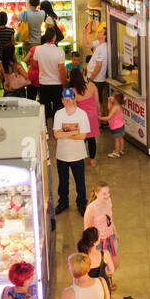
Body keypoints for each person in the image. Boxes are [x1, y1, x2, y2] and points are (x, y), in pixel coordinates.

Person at [52, 87, 92, 216]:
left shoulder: (82, 114)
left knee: (80, 182)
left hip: (77, 155)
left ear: (74, 99)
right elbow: (56, 135)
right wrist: (75, 131)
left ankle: (81, 204)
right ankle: (63, 202)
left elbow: (83, 136)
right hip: (62, 155)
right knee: (62, 182)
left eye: (70, 99)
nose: (68, 102)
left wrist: (65, 132)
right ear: (62, 100)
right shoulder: (59, 114)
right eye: (65, 99)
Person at [83, 182, 117, 283]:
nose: (107, 196)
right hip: (98, 242)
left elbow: (110, 217)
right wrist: (90, 246)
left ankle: (108, 278)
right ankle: (105, 283)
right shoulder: (91, 209)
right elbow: (86, 229)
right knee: (100, 267)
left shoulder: (109, 201)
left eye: (108, 193)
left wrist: (116, 231)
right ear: (96, 194)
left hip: (111, 237)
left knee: (115, 263)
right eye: (104, 193)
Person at [33, 28, 68, 121]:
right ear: (54, 37)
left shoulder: (38, 49)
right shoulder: (59, 51)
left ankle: (45, 131)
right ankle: (57, 128)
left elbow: (35, 64)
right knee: (58, 109)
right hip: (57, 84)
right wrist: (64, 85)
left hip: (43, 83)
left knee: (44, 109)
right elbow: (62, 70)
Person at [69, 69, 100, 167]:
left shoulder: (72, 91)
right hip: (92, 116)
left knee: (82, 138)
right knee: (92, 138)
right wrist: (99, 113)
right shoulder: (92, 86)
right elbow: (97, 103)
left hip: (81, 117)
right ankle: (92, 160)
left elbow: (73, 108)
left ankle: (81, 157)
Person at [87, 25, 109, 106]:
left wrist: (91, 79)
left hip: (96, 79)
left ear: (105, 36)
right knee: (95, 101)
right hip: (94, 78)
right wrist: (84, 32)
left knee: (96, 102)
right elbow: (85, 44)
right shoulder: (99, 43)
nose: (98, 32)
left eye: (101, 32)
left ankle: (99, 117)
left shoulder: (103, 48)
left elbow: (98, 66)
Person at [101, 93, 126, 157]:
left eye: (112, 96)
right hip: (121, 125)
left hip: (116, 126)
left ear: (116, 99)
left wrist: (100, 118)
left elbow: (109, 117)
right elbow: (109, 108)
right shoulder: (117, 105)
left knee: (116, 140)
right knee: (121, 138)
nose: (110, 97)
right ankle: (121, 150)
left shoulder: (115, 107)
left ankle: (116, 153)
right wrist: (109, 101)